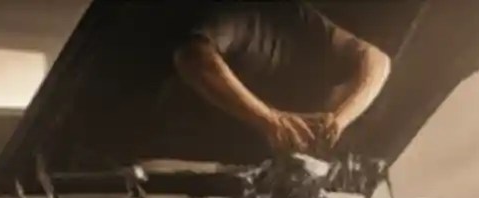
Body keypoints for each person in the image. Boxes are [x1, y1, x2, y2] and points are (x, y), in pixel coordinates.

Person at [152, 1, 392, 162]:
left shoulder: (296, 14)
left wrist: (339, 120)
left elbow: (377, 61)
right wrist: (270, 120)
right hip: (187, 166)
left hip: (250, 175)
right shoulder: (235, 11)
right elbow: (193, 57)